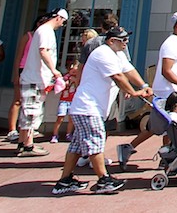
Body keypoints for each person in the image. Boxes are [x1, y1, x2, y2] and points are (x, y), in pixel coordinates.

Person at [51, 27, 151, 195]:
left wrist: (144, 85)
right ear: (111, 41)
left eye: (127, 39)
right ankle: (103, 180)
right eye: (123, 40)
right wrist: (134, 93)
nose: (126, 43)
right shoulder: (103, 53)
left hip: (90, 108)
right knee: (96, 142)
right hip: (88, 107)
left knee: (76, 146)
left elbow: (129, 70)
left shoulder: (117, 55)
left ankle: (64, 181)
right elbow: (118, 76)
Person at [118, 9, 177, 164]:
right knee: (162, 127)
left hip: (175, 91)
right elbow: (166, 71)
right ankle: (136, 149)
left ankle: (167, 156)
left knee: (170, 126)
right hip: (167, 92)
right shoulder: (171, 44)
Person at [17, 8, 68, 156]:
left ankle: (23, 142)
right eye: (63, 22)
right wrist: (54, 70)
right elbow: (43, 50)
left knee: (28, 110)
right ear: (58, 18)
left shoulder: (42, 30)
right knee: (32, 111)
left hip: (34, 77)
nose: (62, 25)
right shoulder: (46, 31)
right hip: (35, 77)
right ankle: (28, 145)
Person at [5, 13, 52, 143]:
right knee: (18, 100)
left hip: (37, 71)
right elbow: (19, 56)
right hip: (24, 69)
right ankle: (12, 130)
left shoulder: (45, 37)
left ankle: (28, 130)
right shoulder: (28, 36)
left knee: (34, 101)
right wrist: (16, 74)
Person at [51, 58, 79, 143]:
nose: (73, 72)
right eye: (71, 70)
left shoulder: (78, 78)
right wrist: (65, 82)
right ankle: (55, 135)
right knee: (60, 118)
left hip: (73, 101)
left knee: (71, 119)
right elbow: (60, 86)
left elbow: (79, 87)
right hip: (64, 100)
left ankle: (68, 134)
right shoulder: (65, 77)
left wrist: (75, 81)